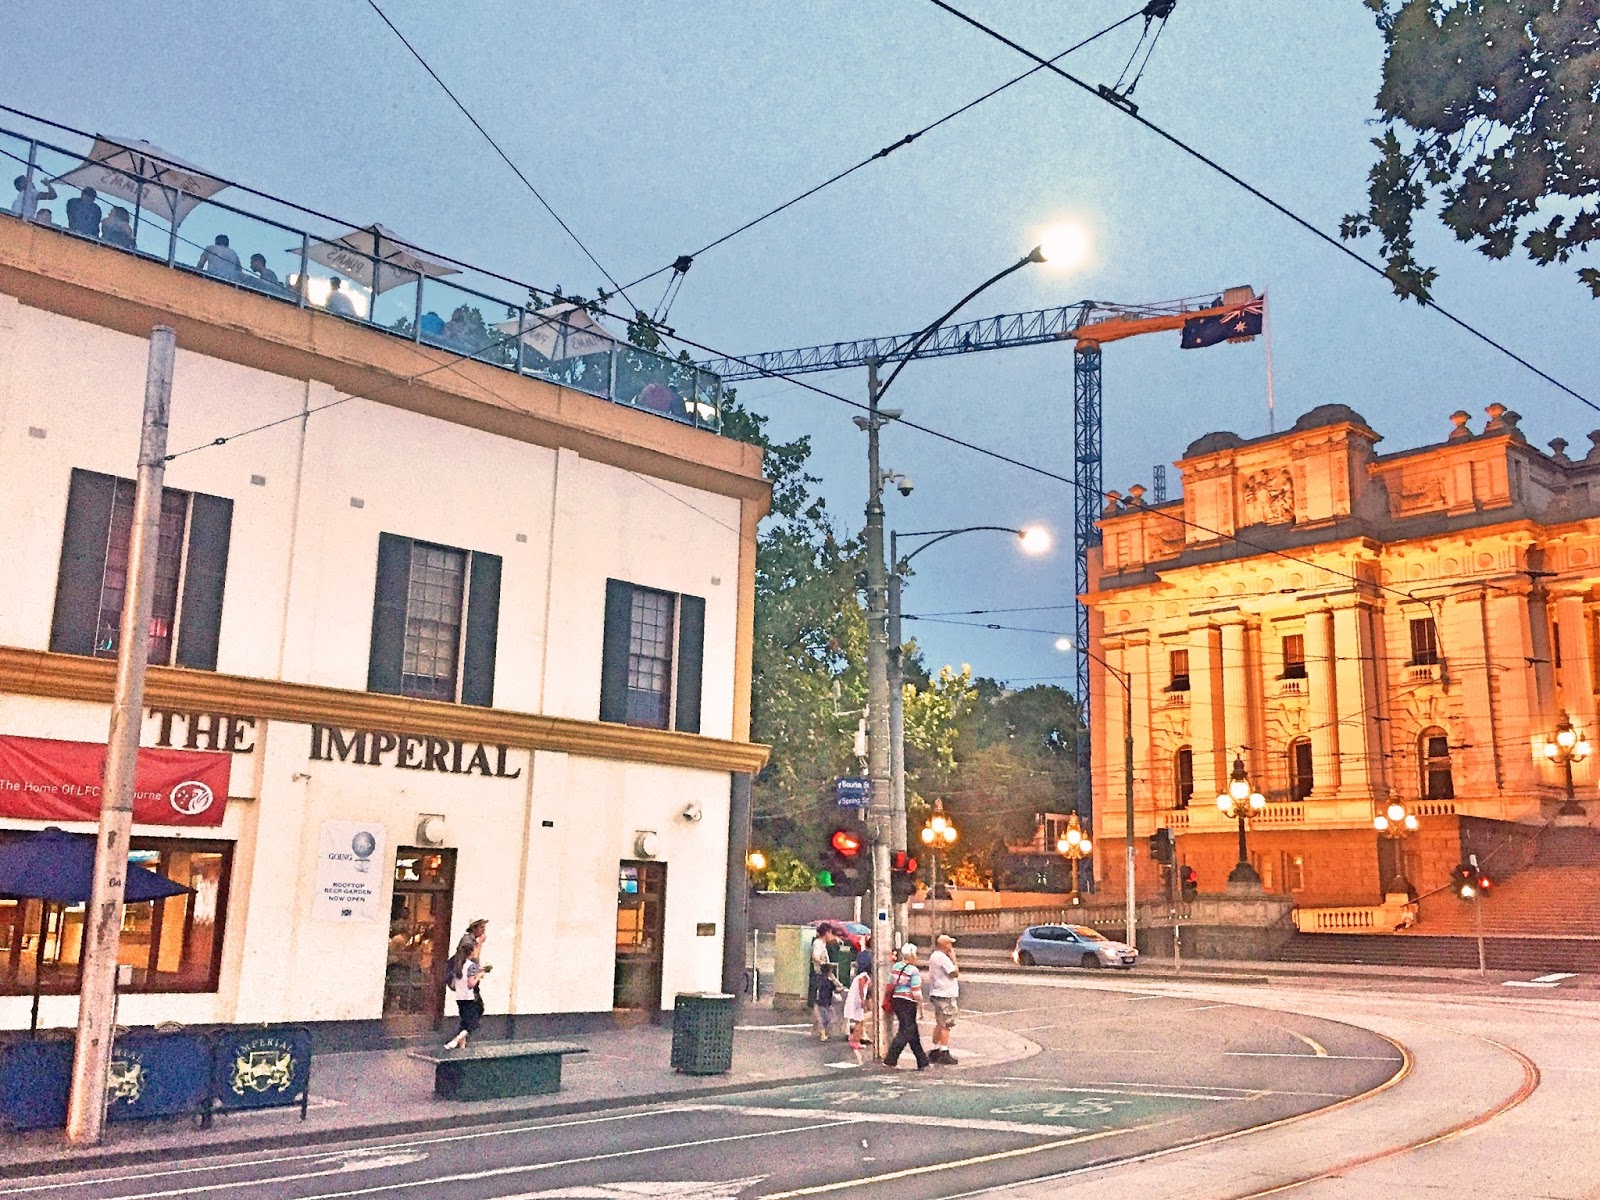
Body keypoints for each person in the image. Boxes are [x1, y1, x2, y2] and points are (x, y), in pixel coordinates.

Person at [883, 943, 929, 1070]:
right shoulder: (913, 970)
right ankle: (890, 1059)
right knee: (906, 1031)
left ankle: (922, 1060)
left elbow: (890, 983)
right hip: (908, 1001)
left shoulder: (896, 966)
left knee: (912, 1031)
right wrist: (921, 1007)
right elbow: (916, 992)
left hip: (896, 999)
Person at [442, 938, 490, 1050]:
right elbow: (471, 984)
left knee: (464, 1022)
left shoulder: (459, 964)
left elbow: (456, 982)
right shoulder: (471, 965)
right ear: (471, 952)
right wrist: (479, 975)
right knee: (472, 1024)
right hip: (469, 998)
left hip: (459, 997)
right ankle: (455, 1040)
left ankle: (462, 1047)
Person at [925, 933, 960, 1065]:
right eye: (950, 944)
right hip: (946, 994)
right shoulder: (944, 958)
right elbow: (954, 973)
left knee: (939, 1023)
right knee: (947, 1024)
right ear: (944, 945)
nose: (951, 947)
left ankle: (935, 1049)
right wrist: (954, 959)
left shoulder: (934, 956)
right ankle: (944, 1051)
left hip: (936, 992)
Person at [809, 925, 839, 1041]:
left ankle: (817, 1030)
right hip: (819, 976)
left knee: (819, 1004)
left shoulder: (823, 943)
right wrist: (823, 964)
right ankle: (821, 1031)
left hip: (823, 975)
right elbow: (815, 956)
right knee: (819, 1005)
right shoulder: (818, 943)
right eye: (831, 933)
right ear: (826, 932)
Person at [844, 963, 872, 1059]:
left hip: (854, 1000)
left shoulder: (861, 976)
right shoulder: (864, 976)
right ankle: (855, 1041)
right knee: (859, 1022)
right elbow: (861, 985)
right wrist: (862, 999)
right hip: (857, 1001)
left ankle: (853, 1039)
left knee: (858, 1021)